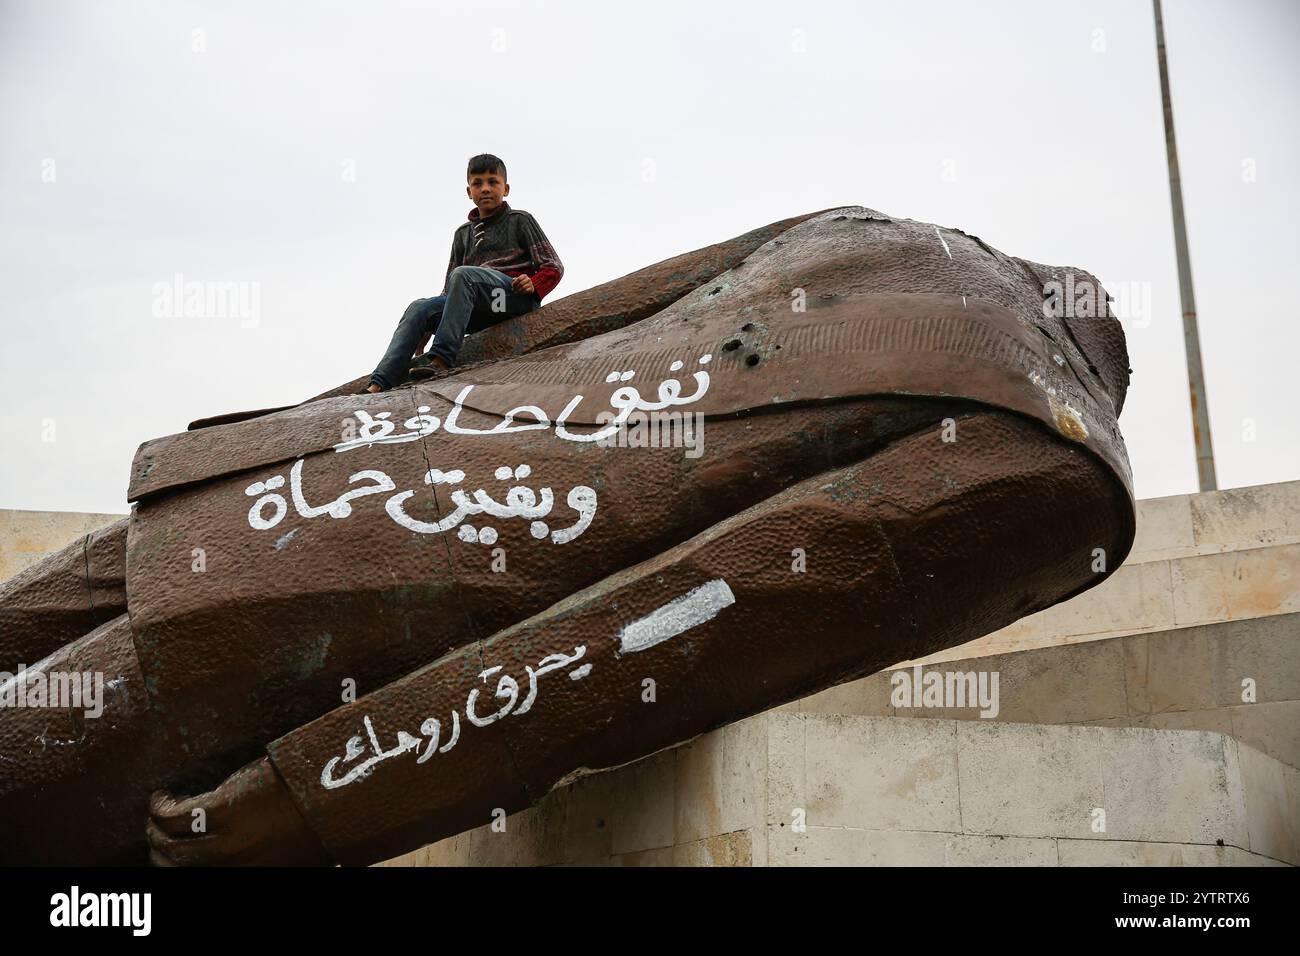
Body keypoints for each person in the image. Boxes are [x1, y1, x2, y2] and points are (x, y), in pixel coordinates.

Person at [363, 153, 564, 393]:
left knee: (464, 275)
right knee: (419, 306)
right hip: (477, 309)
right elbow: (450, 290)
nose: (485, 188)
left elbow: (553, 266)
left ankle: (440, 360)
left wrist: (533, 283)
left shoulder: (520, 220)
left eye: (493, 182)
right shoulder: (462, 234)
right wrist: (427, 325)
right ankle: (379, 383)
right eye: (477, 183)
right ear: (469, 192)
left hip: (509, 299)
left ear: (506, 189)